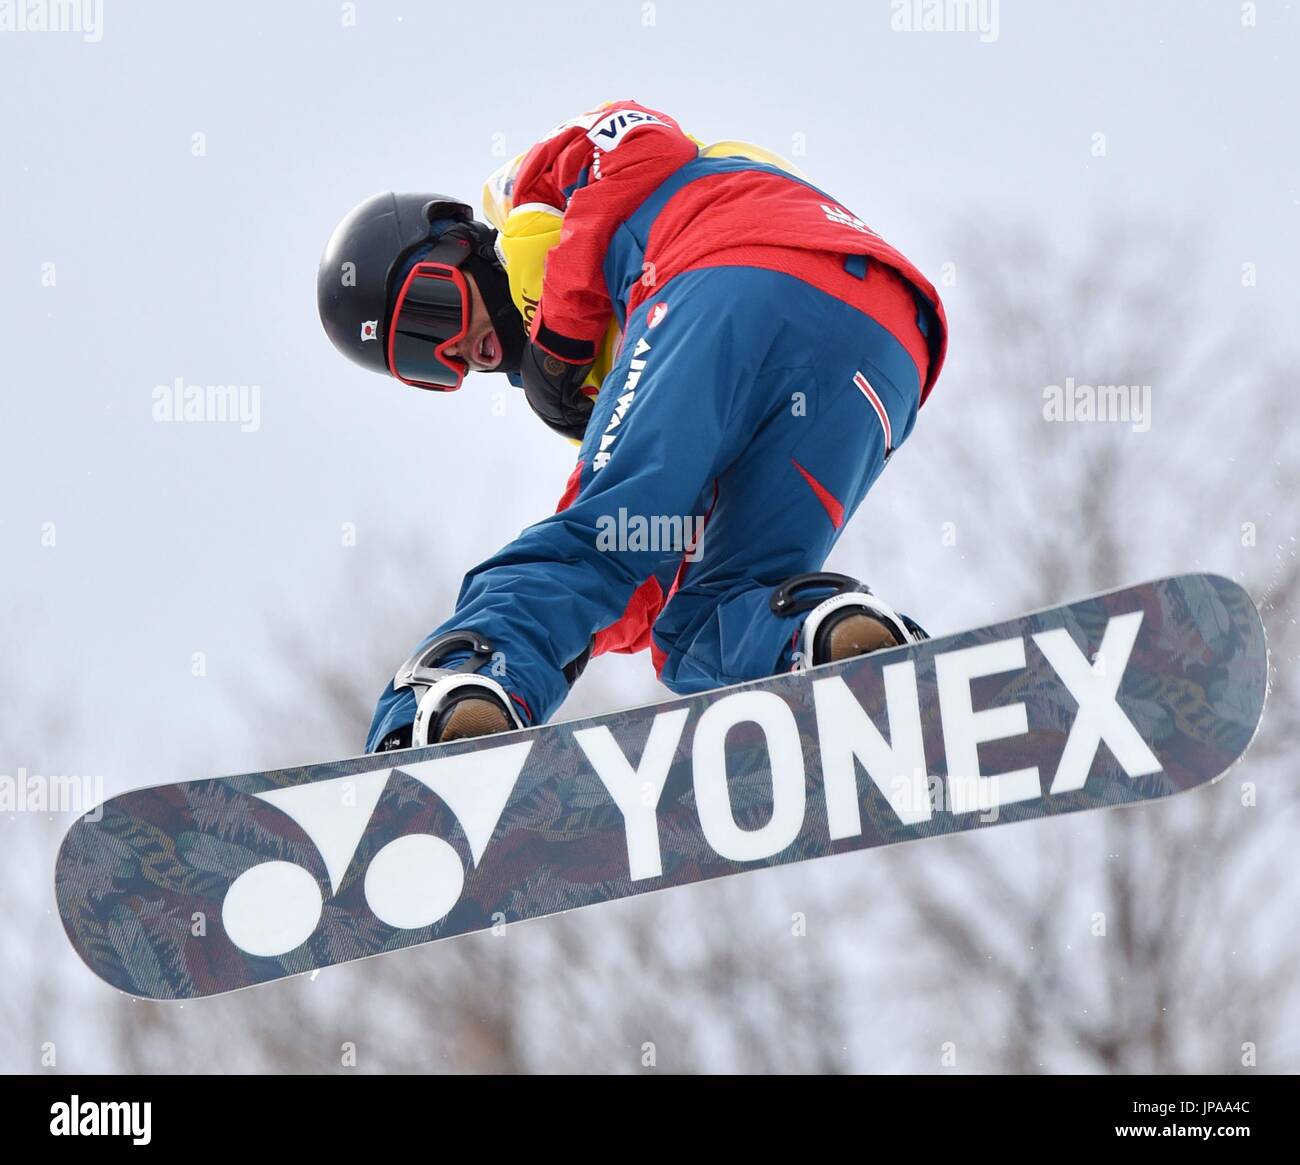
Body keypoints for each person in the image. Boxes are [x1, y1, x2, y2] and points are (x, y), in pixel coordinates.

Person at [316, 100, 948, 752]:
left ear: (459, 241)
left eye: (431, 311)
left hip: (730, 272)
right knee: (701, 625)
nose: (452, 350)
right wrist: (589, 621)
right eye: (424, 362)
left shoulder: (523, 202)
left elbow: (639, 140)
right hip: (886, 341)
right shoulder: (604, 378)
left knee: (593, 544)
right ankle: (829, 639)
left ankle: (455, 692)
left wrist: (559, 338)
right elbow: (654, 547)